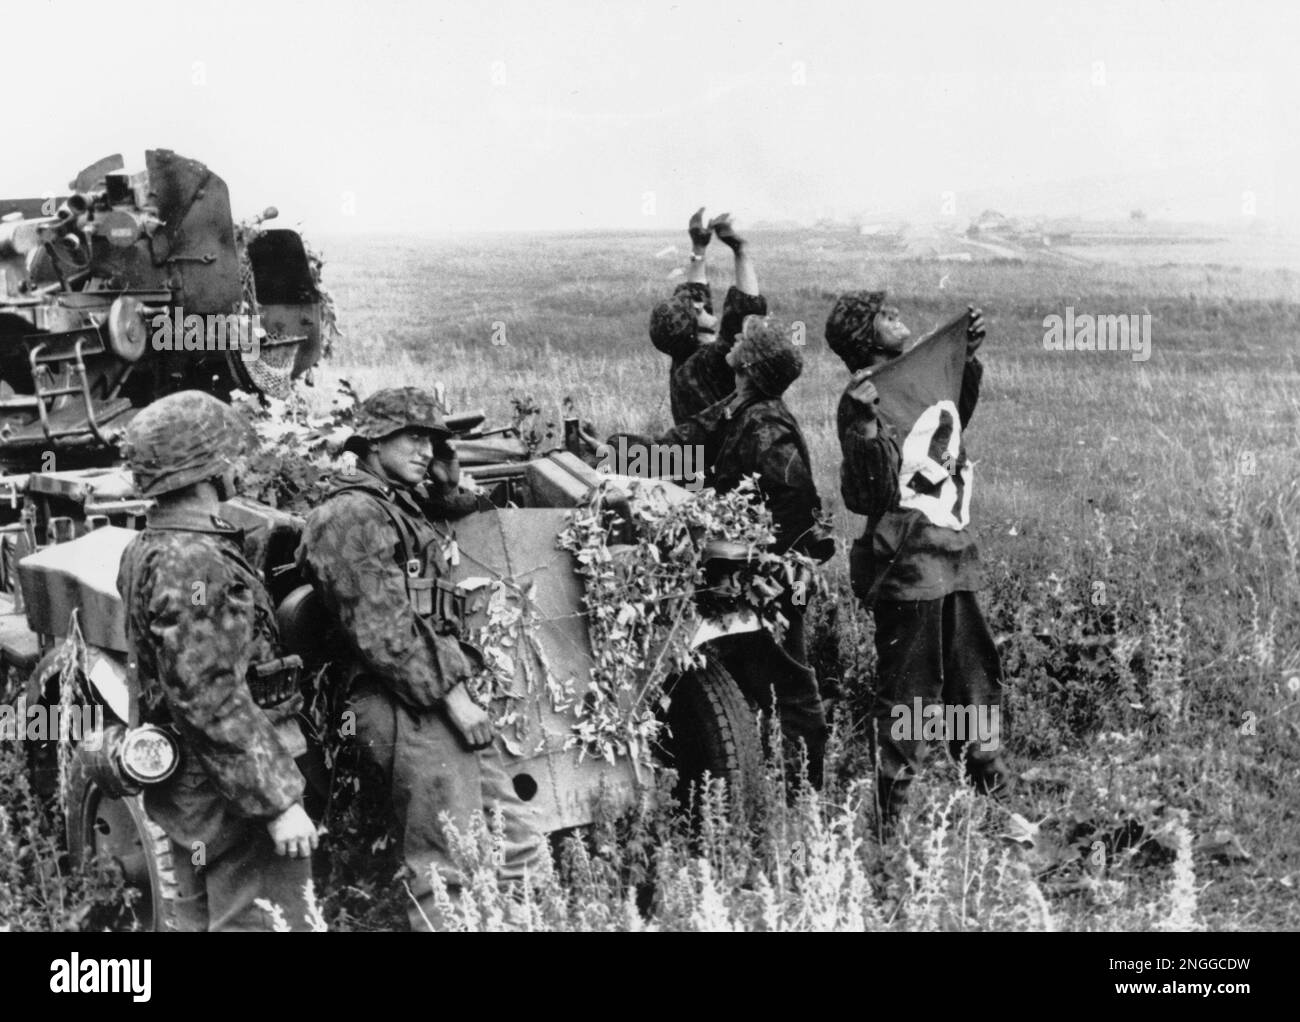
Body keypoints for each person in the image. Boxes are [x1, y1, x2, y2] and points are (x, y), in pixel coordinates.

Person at [296, 387, 541, 930]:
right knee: (444, 865)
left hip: (434, 698)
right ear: (373, 441)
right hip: (401, 702)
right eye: (413, 437)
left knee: (516, 838)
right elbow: (382, 626)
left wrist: (448, 478)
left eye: (432, 440)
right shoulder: (347, 514)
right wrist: (455, 698)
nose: (426, 450)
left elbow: (450, 509)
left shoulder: (394, 505)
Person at [117, 390, 319, 931]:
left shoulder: (154, 544)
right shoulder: (197, 560)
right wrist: (276, 802)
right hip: (234, 792)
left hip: (200, 781)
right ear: (211, 467)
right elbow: (210, 692)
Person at [616, 317, 835, 786]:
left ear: (751, 366)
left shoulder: (767, 427)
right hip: (741, 567)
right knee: (749, 672)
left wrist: (761, 570)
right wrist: (613, 454)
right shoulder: (739, 408)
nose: (734, 338)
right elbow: (685, 444)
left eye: (745, 340)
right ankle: (753, 768)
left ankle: (808, 791)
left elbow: (796, 512)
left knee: (789, 681)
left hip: (774, 579)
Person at [827, 290, 1009, 834]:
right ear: (864, 337)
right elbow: (870, 495)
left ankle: (993, 798)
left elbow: (948, 423)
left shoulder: (916, 380)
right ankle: (888, 826)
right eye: (883, 316)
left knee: (974, 681)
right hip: (906, 566)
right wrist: (862, 430)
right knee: (911, 696)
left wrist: (966, 359)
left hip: (952, 556)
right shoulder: (862, 398)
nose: (896, 316)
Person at [649, 209, 769, 424]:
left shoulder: (683, 354)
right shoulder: (712, 362)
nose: (701, 304)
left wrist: (699, 246)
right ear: (694, 329)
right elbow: (747, 309)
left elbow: (697, 291)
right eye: (697, 310)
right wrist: (740, 251)